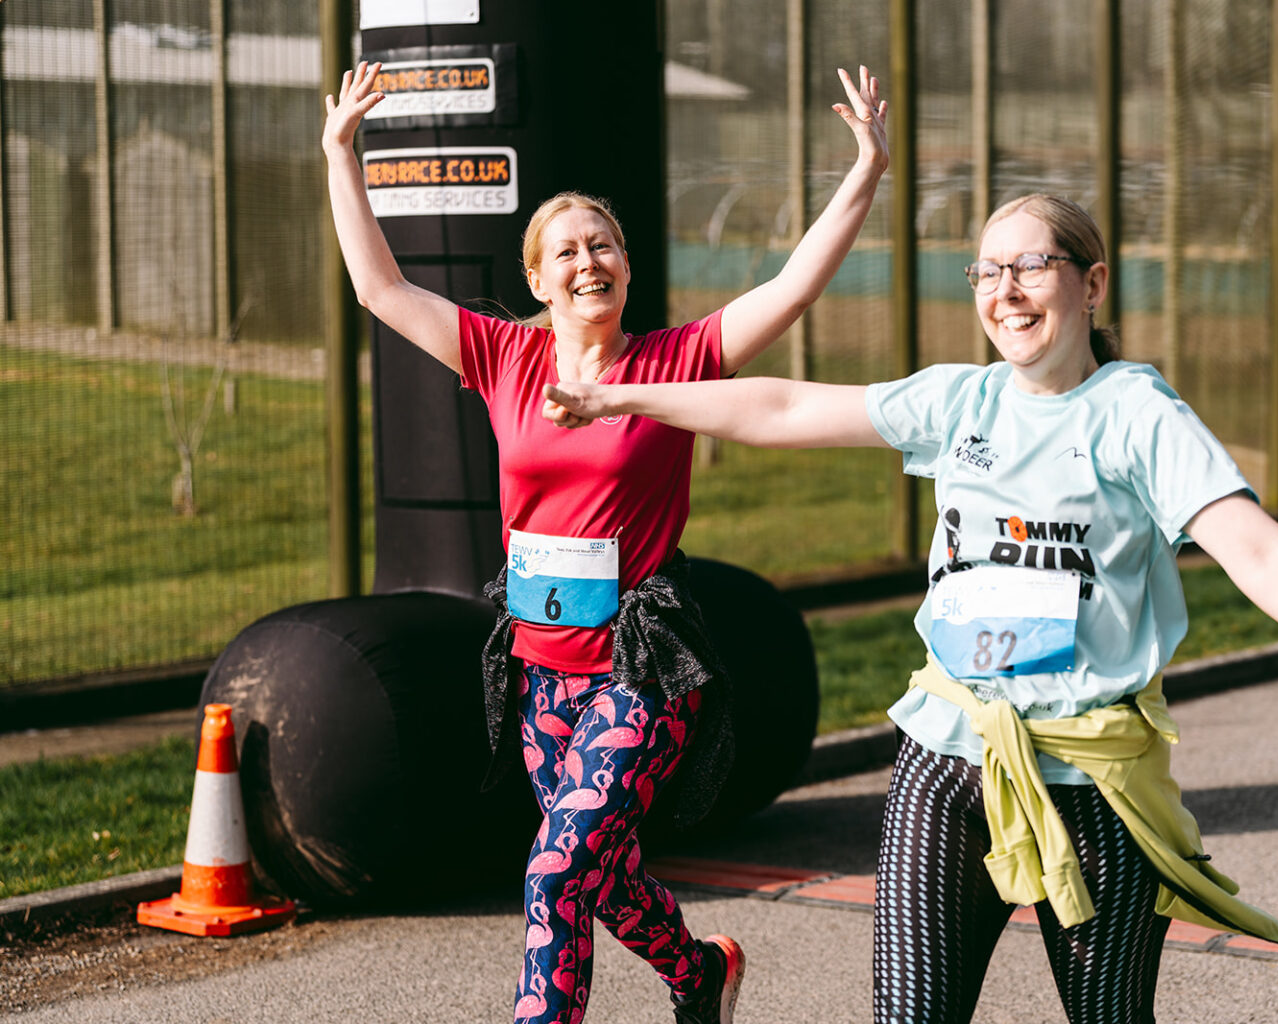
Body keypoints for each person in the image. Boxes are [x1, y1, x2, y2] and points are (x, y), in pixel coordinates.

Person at [541, 193, 1278, 1023]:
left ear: (1091, 283)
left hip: (1091, 777)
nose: (1004, 291)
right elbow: (779, 405)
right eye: (987, 270)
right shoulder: (959, 401)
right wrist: (618, 396)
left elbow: (1256, 549)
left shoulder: (1136, 414)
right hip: (947, 755)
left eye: (1030, 267)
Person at [322, 60, 890, 1024]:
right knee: (602, 873)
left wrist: (867, 167)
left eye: (606, 245)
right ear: (538, 279)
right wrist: (342, 152)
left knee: (554, 870)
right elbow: (380, 289)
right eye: (569, 251)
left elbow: (791, 290)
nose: (591, 261)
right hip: (542, 666)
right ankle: (701, 973)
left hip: (643, 665)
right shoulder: (503, 357)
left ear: (626, 265)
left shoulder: (677, 364)